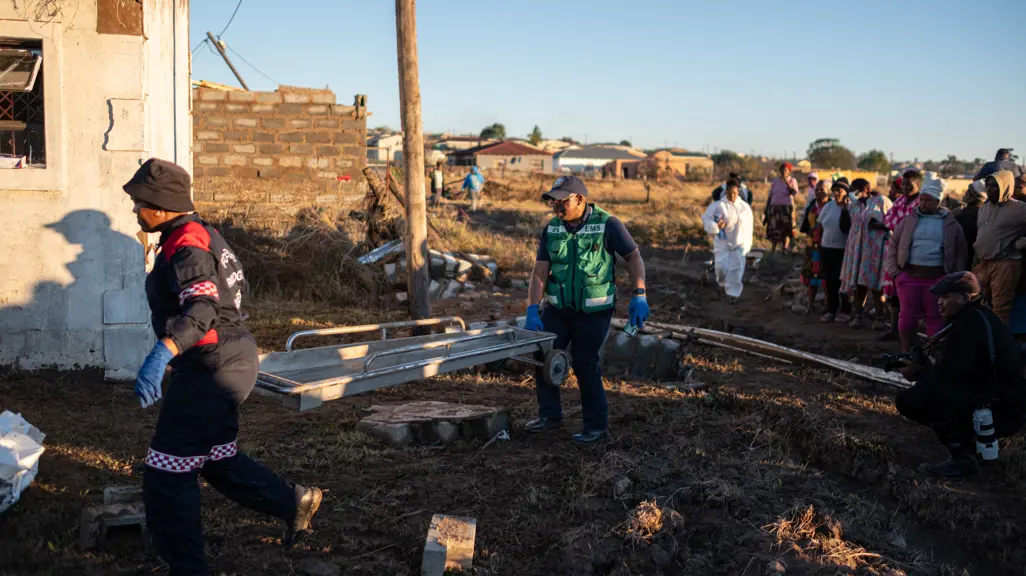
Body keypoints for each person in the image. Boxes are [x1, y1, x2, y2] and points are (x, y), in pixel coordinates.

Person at [123, 159, 322, 575]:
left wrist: (164, 350)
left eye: (139, 202)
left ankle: (189, 568)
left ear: (160, 206)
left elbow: (202, 307)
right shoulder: (205, 235)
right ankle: (292, 502)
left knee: (167, 471)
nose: (135, 210)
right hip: (231, 359)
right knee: (214, 458)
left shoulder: (188, 242)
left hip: (212, 367)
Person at [522, 175, 648, 444]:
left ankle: (595, 426)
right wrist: (533, 308)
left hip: (594, 311)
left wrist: (639, 294)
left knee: (584, 363)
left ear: (580, 199)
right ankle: (550, 415)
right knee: (543, 355)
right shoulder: (552, 229)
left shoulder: (608, 225)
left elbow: (634, 257)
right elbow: (540, 271)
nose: (557, 208)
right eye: (553, 203)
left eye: (562, 202)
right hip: (557, 308)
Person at [895, 271, 1026, 477]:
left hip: (1002, 408)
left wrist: (917, 372)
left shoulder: (971, 321)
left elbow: (951, 373)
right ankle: (971, 445)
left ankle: (962, 458)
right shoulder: (976, 316)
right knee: (927, 390)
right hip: (1002, 402)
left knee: (918, 397)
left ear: (965, 298)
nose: (939, 303)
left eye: (946, 297)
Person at [885, 175, 968, 353]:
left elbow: (961, 253)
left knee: (935, 320)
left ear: (938, 200)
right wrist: (896, 274)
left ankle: (933, 357)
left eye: (928, 200)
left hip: (938, 279)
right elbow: (893, 245)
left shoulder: (951, 223)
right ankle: (907, 354)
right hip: (909, 278)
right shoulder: (909, 220)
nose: (923, 203)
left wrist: (952, 279)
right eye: (921, 199)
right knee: (907, 320)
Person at [974, 170, 1026, 327]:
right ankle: (984, 344)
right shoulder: (984, 208)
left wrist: (1022, 243)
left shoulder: (1019, 208)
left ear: (1006, 186)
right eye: (988, 185)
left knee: (1000, 309)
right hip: (983, 262)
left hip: (1006, 263)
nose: (989, 189)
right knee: (977, 305)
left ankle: (1000, 347)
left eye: (994, 186)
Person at [839, 179, 893, 328]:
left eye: (855, 189)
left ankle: (880, 318)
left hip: (876, 251)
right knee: (859, 284)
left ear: (867, 189)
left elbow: (894, 222)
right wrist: (844, 207)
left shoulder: (881, 201)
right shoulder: (855, 205)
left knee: (876, 285)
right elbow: (847, 225)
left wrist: (879, 225)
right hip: (858, 249)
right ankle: (859, 316)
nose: (853, 193)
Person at [881, 170, 924, 341]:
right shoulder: (900, 200)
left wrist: (899, 226)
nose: (905, 188)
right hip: (895, 251)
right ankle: (894, 330)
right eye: (903, 185)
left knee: (910, 295)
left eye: (909, 185)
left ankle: (908, 333)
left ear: (918, 185)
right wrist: (901, 226)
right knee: (894, 295)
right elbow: (888, 219)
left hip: (913, 253)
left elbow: (907, 225)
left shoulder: (922, 203)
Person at [701, 178, 754, 303]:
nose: (732, 196)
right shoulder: (718, 206)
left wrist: (747, 245)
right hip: (722, 244)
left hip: (739, 244)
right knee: (721, 268)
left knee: (736, 271)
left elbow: (749, 228)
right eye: (730, 193)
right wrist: (715, 227)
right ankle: (721, 285)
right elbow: (706, 219)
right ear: (726, 192)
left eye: (735, 193)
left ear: (738, 192)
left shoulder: (745, 208)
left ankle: (733, 295)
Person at [817, 180, 852, 323]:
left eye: (840, 190)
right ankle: (831, 309)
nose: (836, 193)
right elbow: (820, 225)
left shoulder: (851, 207)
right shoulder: (829, 206)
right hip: (827, 249)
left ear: (846, 192)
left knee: (843, 281)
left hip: (843, 250)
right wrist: (818, 244)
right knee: (830, 281)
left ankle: (845, 310)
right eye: (834, 190)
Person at [799, 180, 831, 314]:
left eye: (822, 189)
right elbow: (805, 225)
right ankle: (810, 305)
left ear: (829, 191)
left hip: (827, 246)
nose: (819, 192)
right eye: (817, 189)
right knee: (811, 277)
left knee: (826, 278)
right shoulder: (812, 205)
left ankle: (827, 306)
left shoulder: (831, 206)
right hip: (812, 247)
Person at [765, 162, 801, 252]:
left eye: (785, 170)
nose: (783, 172)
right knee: (774, 228)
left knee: (787, 228)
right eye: (782, 170)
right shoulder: (775, 181)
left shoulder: (792, 180)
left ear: (789, 171)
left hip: (787, 208)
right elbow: (770, 195)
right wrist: (767, 208)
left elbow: (794, 192)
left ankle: (785, 247)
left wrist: (787, 183)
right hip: (775, 208)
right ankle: (773, 248)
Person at [953, 183, 986, 261]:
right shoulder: (984, 212)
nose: (964, 195)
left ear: (974, 197)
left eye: (967, 193)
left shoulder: (966, 214)